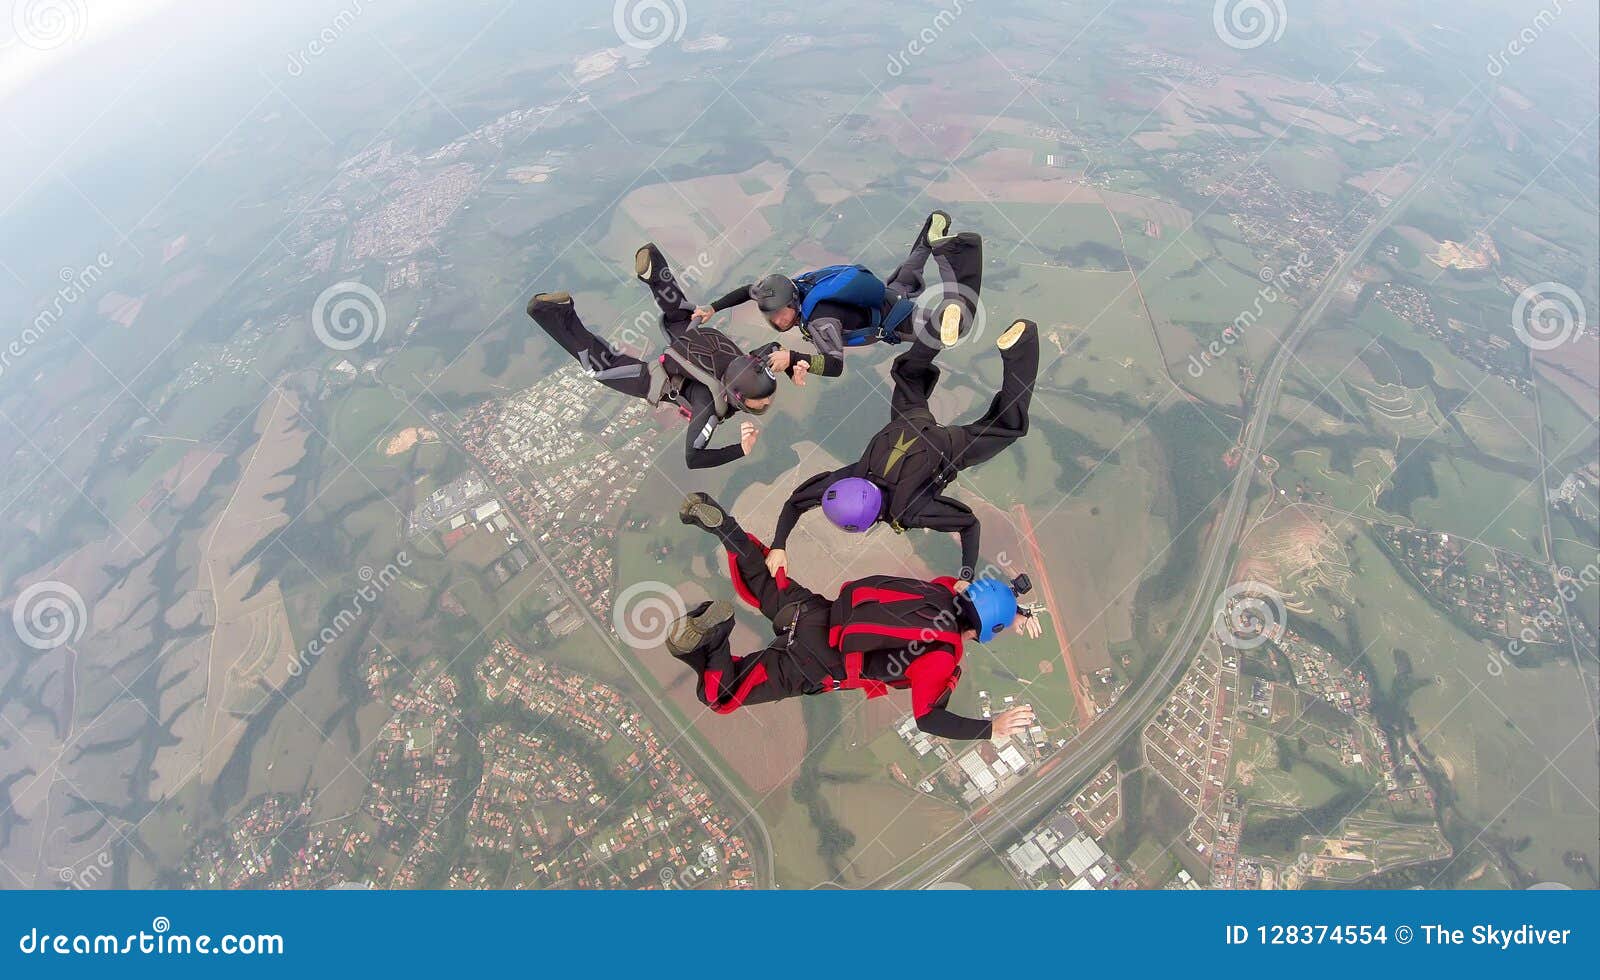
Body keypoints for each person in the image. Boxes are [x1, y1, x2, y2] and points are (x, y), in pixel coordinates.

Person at [668, 492, 1042, 741]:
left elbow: (974, 595)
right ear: (982, 632)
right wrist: (990, 729)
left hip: (815, 613)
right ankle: (716, 637)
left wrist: (1015, 610)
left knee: (761, 579)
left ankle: (726, 528)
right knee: (722, 695)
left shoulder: (945, 590)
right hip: (815, 663)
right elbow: (929, 718)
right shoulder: (941, 657)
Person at [766, 317, 1039, 583]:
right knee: (908, 374)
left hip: (948, 447)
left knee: (1007, 425)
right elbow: (795, 502)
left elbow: (969, 524)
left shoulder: (909, 511)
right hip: (908, 422)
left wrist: (966, 575)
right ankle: (939, 328)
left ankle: (1021, 345)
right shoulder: (850, 479)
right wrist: (779, 544)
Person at [527, 243, 795, 470]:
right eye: (762, 399)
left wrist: (792, 363)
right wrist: (742, 449)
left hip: (692, 341)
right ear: (737, 396)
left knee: (679, 315)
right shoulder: (707, 405)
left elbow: (773, 347)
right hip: (662, 377)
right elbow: (693, 458)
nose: (767, 400)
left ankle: (655, 268)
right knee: (601, 367)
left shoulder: (754, 363)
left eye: (765, 397)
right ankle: (553, 313)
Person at [690, 211, 983, 378]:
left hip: (896, 320)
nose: (778, 321)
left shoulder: (819, 321)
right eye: (772, 316)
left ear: (792, 303)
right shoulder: (786, 288)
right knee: (908, 273)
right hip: (883, 298)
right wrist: (713, 308)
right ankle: (931, 233)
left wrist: (792, 357)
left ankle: (953, 251)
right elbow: (747, 291)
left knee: (959, 326)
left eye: (780, 314)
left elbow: (834, 366)